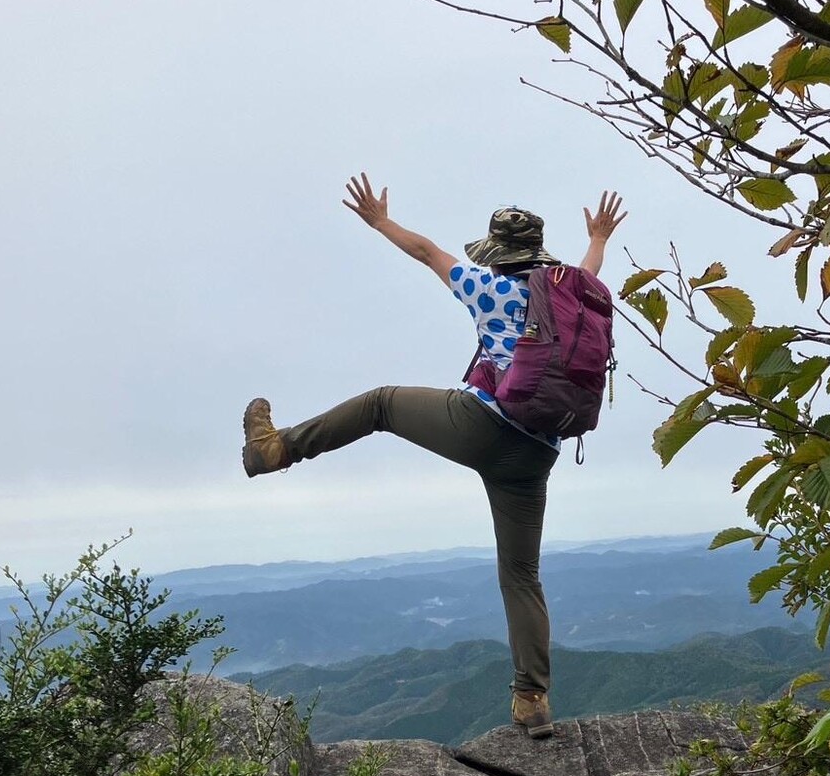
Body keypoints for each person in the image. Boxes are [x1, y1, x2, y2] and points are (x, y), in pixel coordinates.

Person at [241, 174, 626, 738]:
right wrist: (598, 238)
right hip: (538, 452)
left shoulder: (485, 285)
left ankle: (276, 451)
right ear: (540, 252)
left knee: (380, 404)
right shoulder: (571, 294)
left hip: (483, 425)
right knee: (522, 575)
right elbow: (591, 273)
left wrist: (380, 223)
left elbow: (426, 252)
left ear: (496, 252)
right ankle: (532, 700)